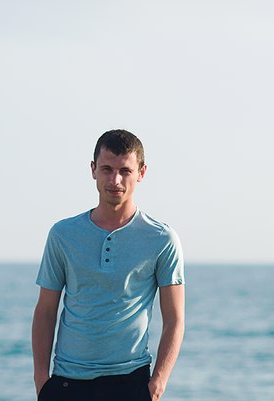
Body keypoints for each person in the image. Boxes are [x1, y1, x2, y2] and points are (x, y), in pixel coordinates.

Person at [32, 129, 185, 401]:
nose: (115, 180)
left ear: (141, 173)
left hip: (130, 382)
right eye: (107, 169)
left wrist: (158, 383)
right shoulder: (63, 235)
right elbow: (45, 311)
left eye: (125, 171)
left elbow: (174, 319)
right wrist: (41, 381)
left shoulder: (162, 239)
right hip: (67, 382)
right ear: (93, 170)